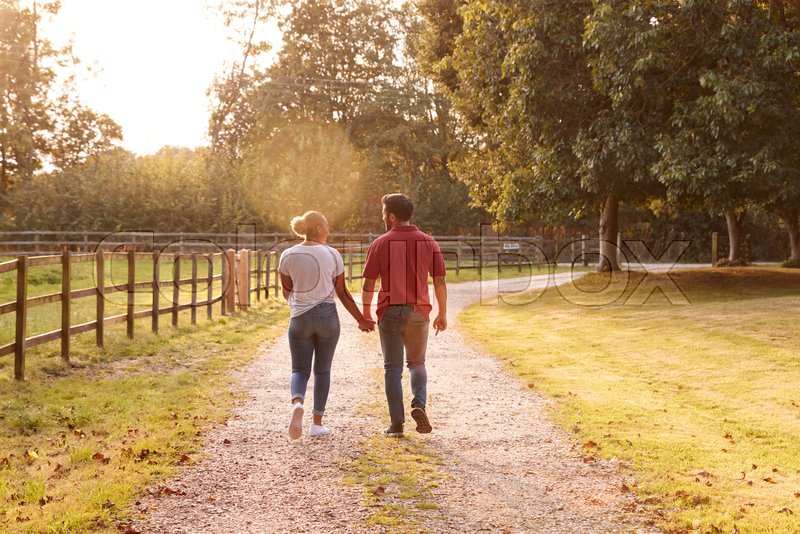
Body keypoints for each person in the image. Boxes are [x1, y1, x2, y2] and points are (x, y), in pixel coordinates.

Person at [279, 211, 375, 440]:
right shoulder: (332, 254)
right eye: (327, 226)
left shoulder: (288, 255)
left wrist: (301, 303)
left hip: (300, 318)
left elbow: (286, 291)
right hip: (327, 317)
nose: (329, 230)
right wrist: (361, 319)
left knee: (299, 369)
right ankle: (317, 423)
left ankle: (298, 402)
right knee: (322, 370)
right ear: (320, 228)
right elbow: (341, 292)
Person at [361, 194, 447, 437]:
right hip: (419, 311)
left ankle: (396, 425)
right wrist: (442, 312)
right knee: (417, 363)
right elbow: (439, 282)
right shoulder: (429, 242)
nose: (382, 218)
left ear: (391, 216)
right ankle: (419, 404)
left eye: (383, 213)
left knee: (392, 369)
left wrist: (366, 314)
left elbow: (368, 285)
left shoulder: (379, 243)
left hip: (389, 311)